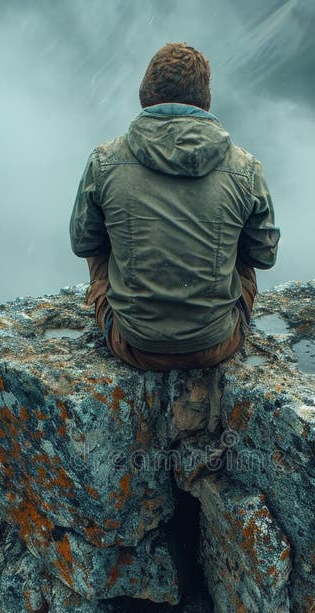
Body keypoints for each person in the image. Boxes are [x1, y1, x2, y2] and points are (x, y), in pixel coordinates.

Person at [69, 41, 280, 372]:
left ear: (145, 95)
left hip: (131, 343)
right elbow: (263, 256)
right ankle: (204, 313)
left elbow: (84, 243)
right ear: (205, 100)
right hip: (217, 342)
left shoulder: (104, 161)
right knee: (241, 241)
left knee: (100, 236)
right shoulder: (246, 168)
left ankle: (140, 310)